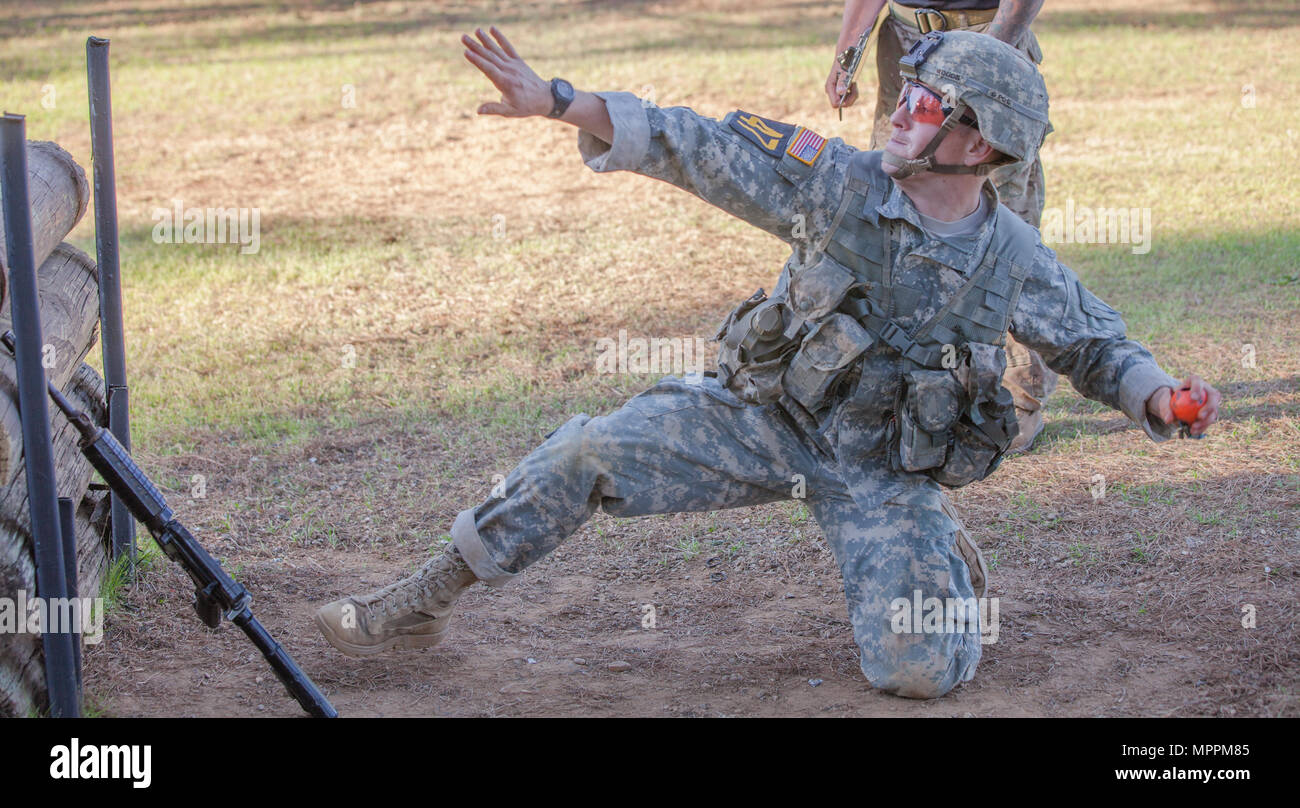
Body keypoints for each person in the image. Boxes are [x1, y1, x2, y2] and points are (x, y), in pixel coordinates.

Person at [315, 26, 1221, 699]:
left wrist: (1162, 400)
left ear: (977, 145)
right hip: (759, 419)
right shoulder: (838, 182)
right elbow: (696, 145)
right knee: (581, 455)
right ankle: (418, 601)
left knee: (918, 674)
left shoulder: (1011, 258)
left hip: (883, 470)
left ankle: (940, 556)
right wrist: (558, 100)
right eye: (905, 93)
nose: (898, 111)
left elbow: (1094, 342)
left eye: (924, 106)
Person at [828, 0, 1055, 451]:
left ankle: (1018, 397)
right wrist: (846, 52)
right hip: (907, 45)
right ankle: (905, 394)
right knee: (896, 217)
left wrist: (983, 60)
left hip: (989, 38)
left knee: (1002, 225)